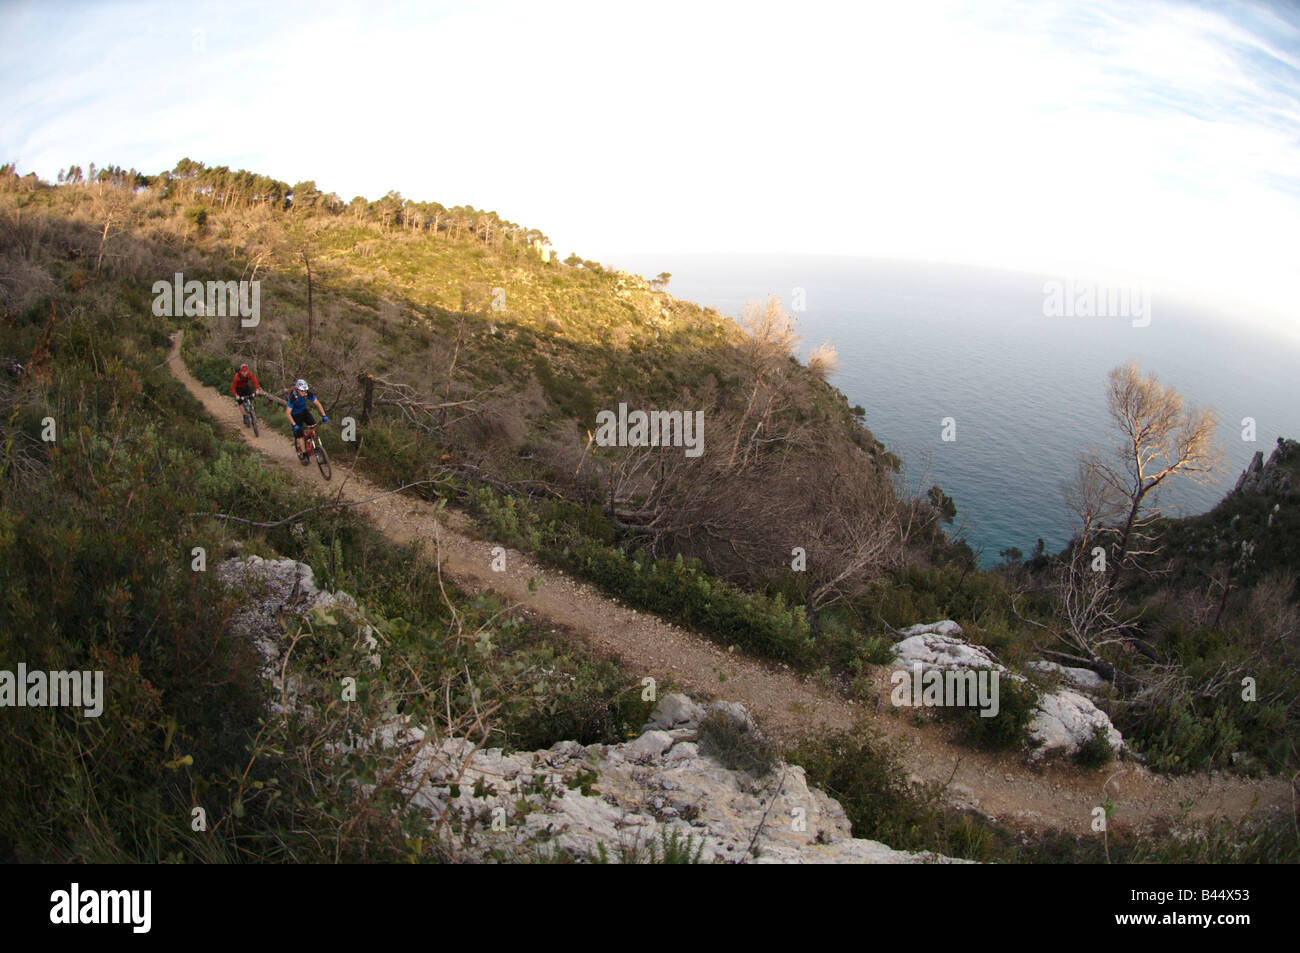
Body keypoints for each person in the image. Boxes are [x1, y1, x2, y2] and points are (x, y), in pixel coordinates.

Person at [286, 378, 328, 460]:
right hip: (294, 415)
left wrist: (324, 415)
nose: (304, 393)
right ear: (298, 390)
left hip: (303, 411)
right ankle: (304, 452)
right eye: (302, 391)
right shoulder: (293, 397)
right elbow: (287, 413)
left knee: (313, 425)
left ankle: (310, 441)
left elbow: (317, 403)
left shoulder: (307, 393)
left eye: (305, 391)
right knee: (300, 435)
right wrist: (294, 425)